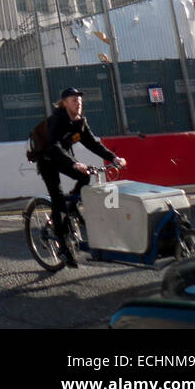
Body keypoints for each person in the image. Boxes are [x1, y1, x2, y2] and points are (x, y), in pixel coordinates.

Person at [36, 86, 126, 267]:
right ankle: (62, 247)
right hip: (47, 159)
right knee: (57, 199)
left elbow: (92, 142)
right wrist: (73, 163)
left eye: (80, 101)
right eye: (74, 101)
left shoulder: (80, 122)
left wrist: (113, 157)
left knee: (85, 177)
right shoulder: (57, 120)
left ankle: (72, 203)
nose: (78, 104)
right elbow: (54, 146)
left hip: (63, 158)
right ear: (64, 103)